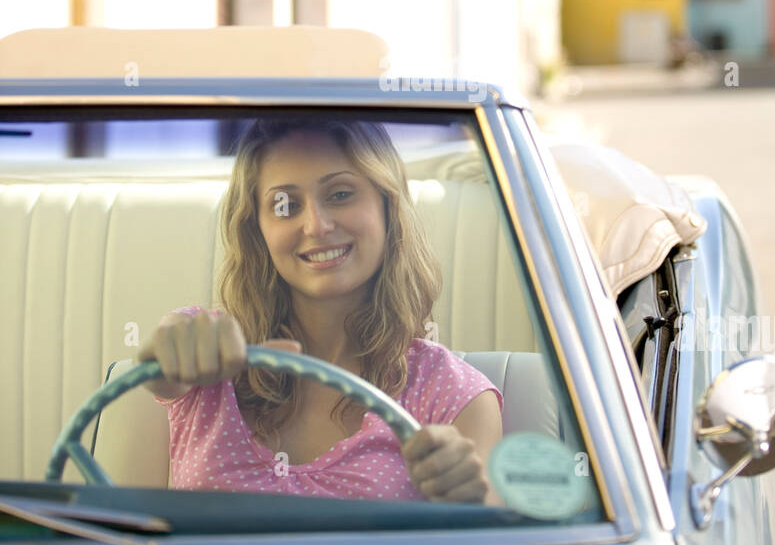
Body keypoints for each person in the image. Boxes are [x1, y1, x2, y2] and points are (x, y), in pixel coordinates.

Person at [138, 117, 503, 502]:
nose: (316, 225)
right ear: (256, 229)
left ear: (387, 207)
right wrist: (166, 356)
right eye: (286, 205)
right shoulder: (204, 351)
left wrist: (468, 502)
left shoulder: (454, 395)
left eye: (341, 194)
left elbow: (486, 540)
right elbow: (161, 366)